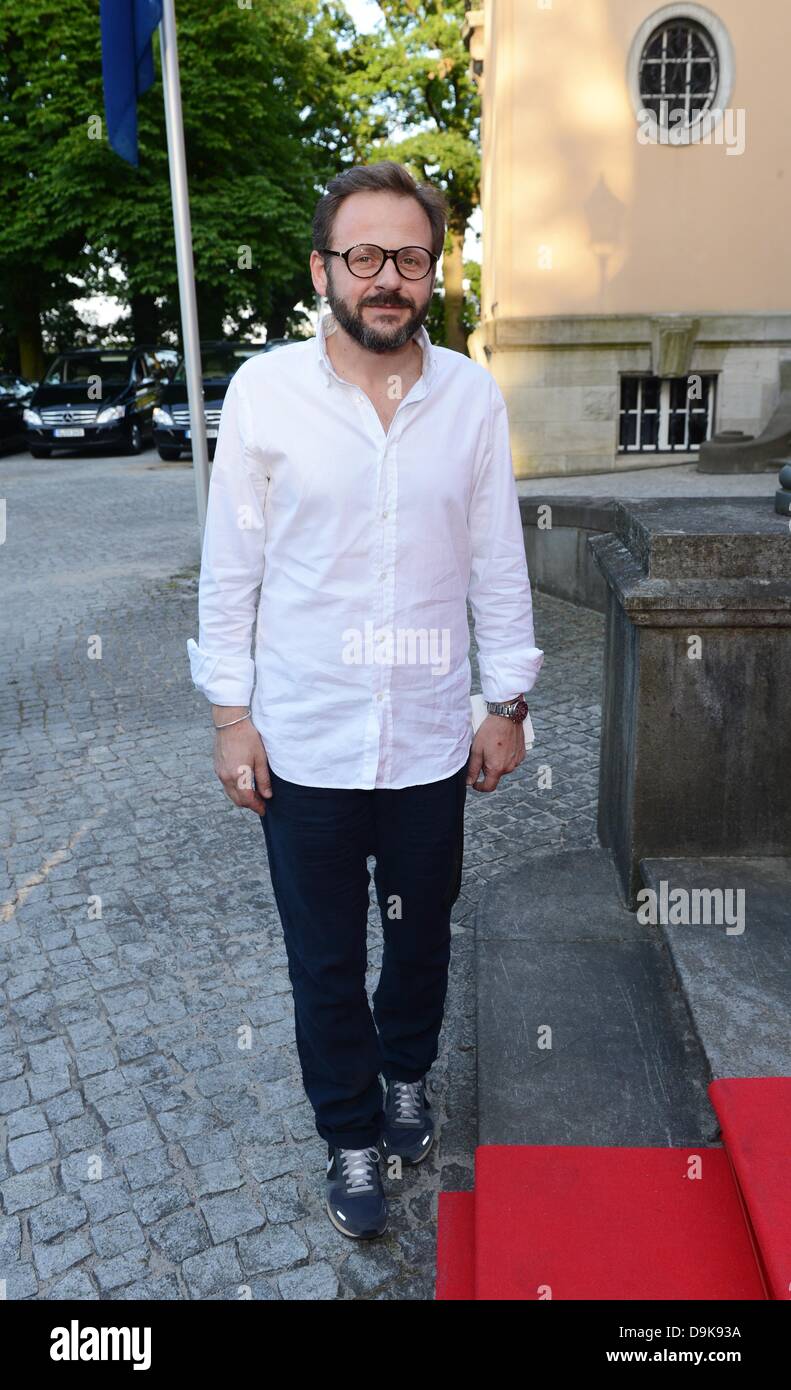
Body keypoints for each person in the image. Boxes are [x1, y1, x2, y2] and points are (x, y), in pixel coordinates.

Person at [187, 160, 544, 1240]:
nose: (385, 277)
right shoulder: (264, 393)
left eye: (408, 257)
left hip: (433, 738)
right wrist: (229, 716)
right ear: (322, 269)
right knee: (324, 954)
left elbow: (495, 560)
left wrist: (507, 701)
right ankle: (347, 1127)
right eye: (364, 256)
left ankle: (404, 1076)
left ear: (432, 271)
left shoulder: (470, 398)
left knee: (421, 935)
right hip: (304, 739)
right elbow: (229, 569)